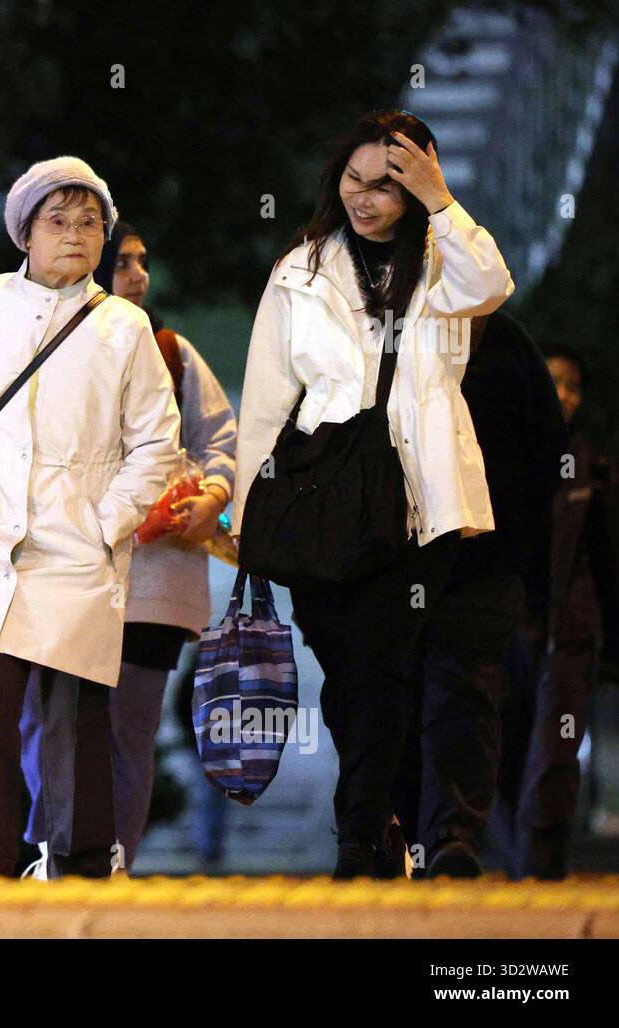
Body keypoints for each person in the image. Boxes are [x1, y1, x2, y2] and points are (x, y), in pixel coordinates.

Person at [233, 110, 514, 879]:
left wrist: (443, 201)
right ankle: (382, 818)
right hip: (323, 497)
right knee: (351, 671)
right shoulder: (300, 269)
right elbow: (264, 397)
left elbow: (493, 284)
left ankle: (359, 838)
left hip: (420, 497)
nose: (365, 198)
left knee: (385, 663)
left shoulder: (445, 259)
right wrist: (245, 517)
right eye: (354, 180)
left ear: (416, 189)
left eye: (388, 185)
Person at [0, 156, 181, 879]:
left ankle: (79, 862)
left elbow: (157, 440)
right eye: (58, 220)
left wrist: (106, 521)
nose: (77, 234)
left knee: (77, 711)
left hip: (75, 533)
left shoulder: (124, 325)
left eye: (91, 222)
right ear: (24, 232)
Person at [19, 220, 236, 875]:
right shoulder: (38, 350)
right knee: (45, 719)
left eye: (141, 263)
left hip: (154, 578)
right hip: (63, 571)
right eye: (125, 265)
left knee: (128, 728)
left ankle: (113, 865)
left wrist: (214, 496)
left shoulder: (172, 353)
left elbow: (219, 440)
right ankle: (54, 850)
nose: (138, 277)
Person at [393, 310, 565, 877]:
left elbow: (548, 453)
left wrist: (519, 549)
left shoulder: (503, 338)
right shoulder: (381, 324)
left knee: (464, 691)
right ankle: (405, 831)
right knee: (402, 695)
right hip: (395, 560)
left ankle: (451, 836)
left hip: (481, 562)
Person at [494, 342, 618, 878]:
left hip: (568, 635)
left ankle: (538, 867)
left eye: (573, 386)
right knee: (500, 751)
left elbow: (607, 559)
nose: (562, 395)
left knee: (557, 750)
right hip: (507, 631)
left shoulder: (592, 467)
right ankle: (507, 860)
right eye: (552, 382)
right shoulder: (496, 459)